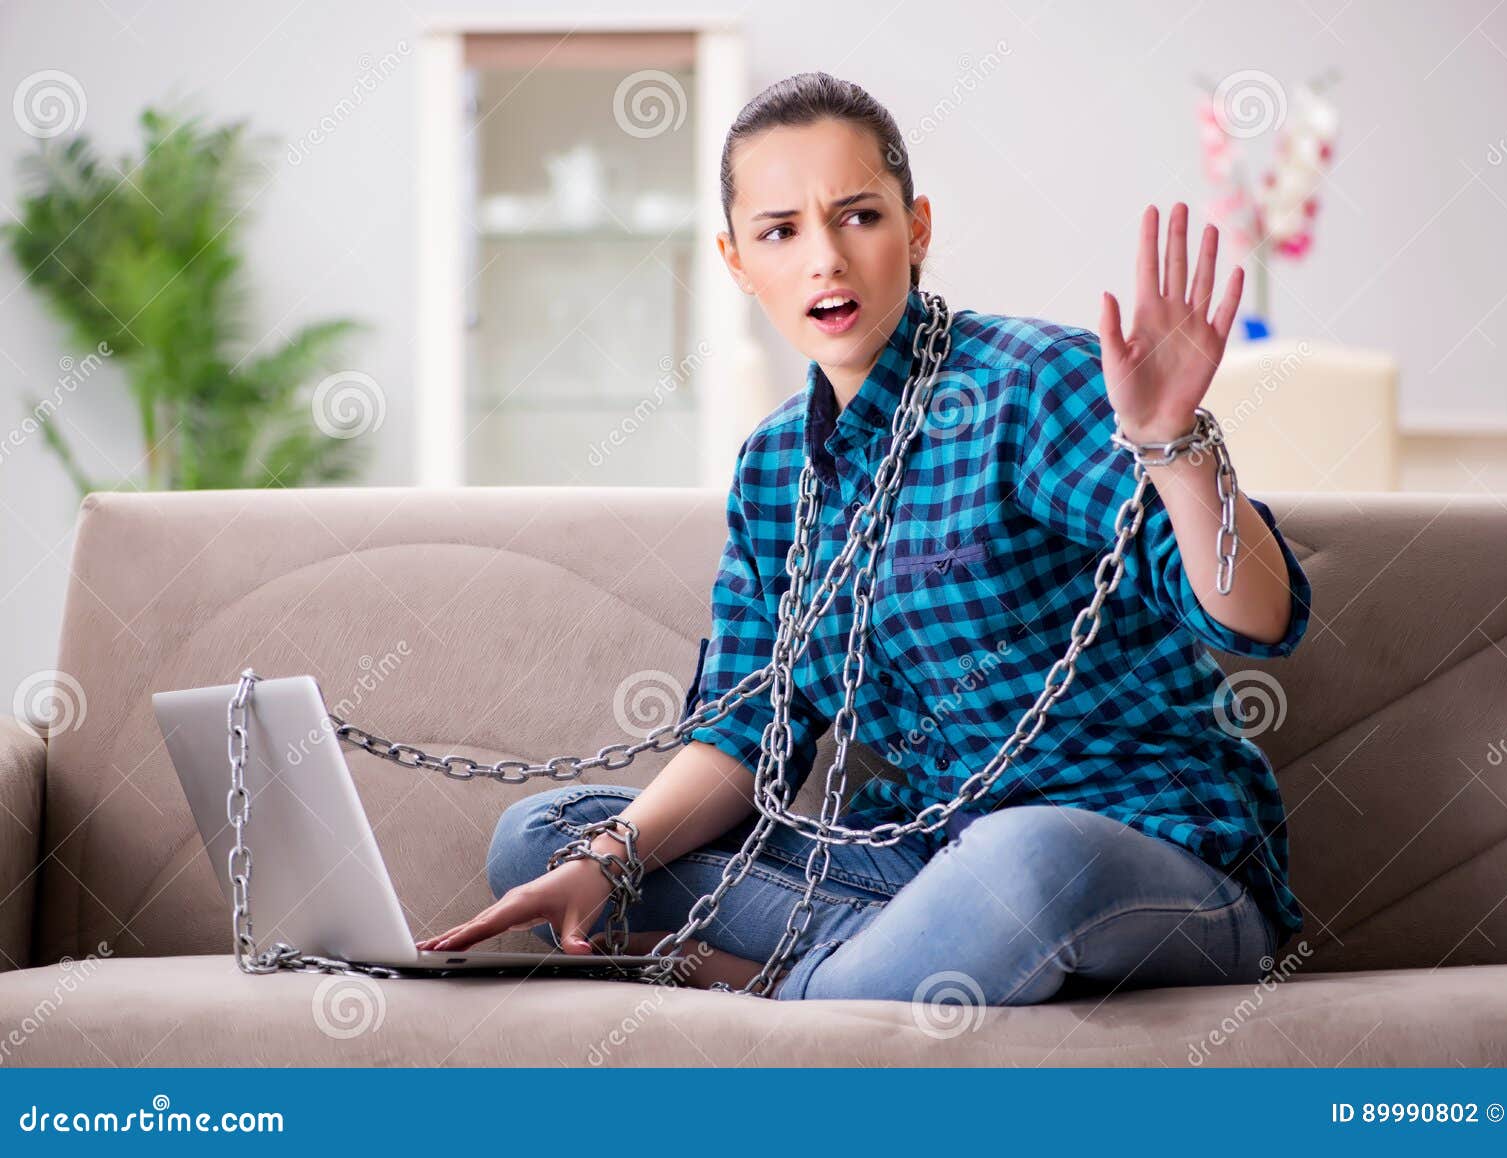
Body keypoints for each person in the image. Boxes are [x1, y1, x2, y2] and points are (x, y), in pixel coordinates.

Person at [415, 72, 1313, 1005]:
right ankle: (910, 963)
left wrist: (1174, 445)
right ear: (734, 260)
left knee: (1025, 854)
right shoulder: (772, 470)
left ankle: (798, 999)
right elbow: (746, 733)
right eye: (781, 231)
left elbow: (1259, 614)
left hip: (1140, 862)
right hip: (916, 869)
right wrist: (608, 861)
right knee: (545, 840)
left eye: (859, 217)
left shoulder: (1034, 382)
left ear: (916, 228)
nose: (825, 260)